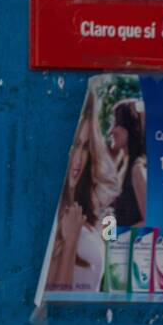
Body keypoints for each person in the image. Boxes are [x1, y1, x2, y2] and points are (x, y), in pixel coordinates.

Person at [46, 88, 119, 292]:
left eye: (85, 147)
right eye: (74, 146)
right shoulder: (60, 220)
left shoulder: (88, 209)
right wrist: (71, 240)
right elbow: (57, 295)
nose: (77, 159)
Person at [108, 97, 147, 229]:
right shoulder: (119, 165)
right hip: (114, 248)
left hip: (131, 248)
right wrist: (107, 238)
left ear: (130, 128)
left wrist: (119, 239)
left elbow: (150, 222)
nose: (111, 131)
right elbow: (111, 218)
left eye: (116, 124)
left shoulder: (137, 169)